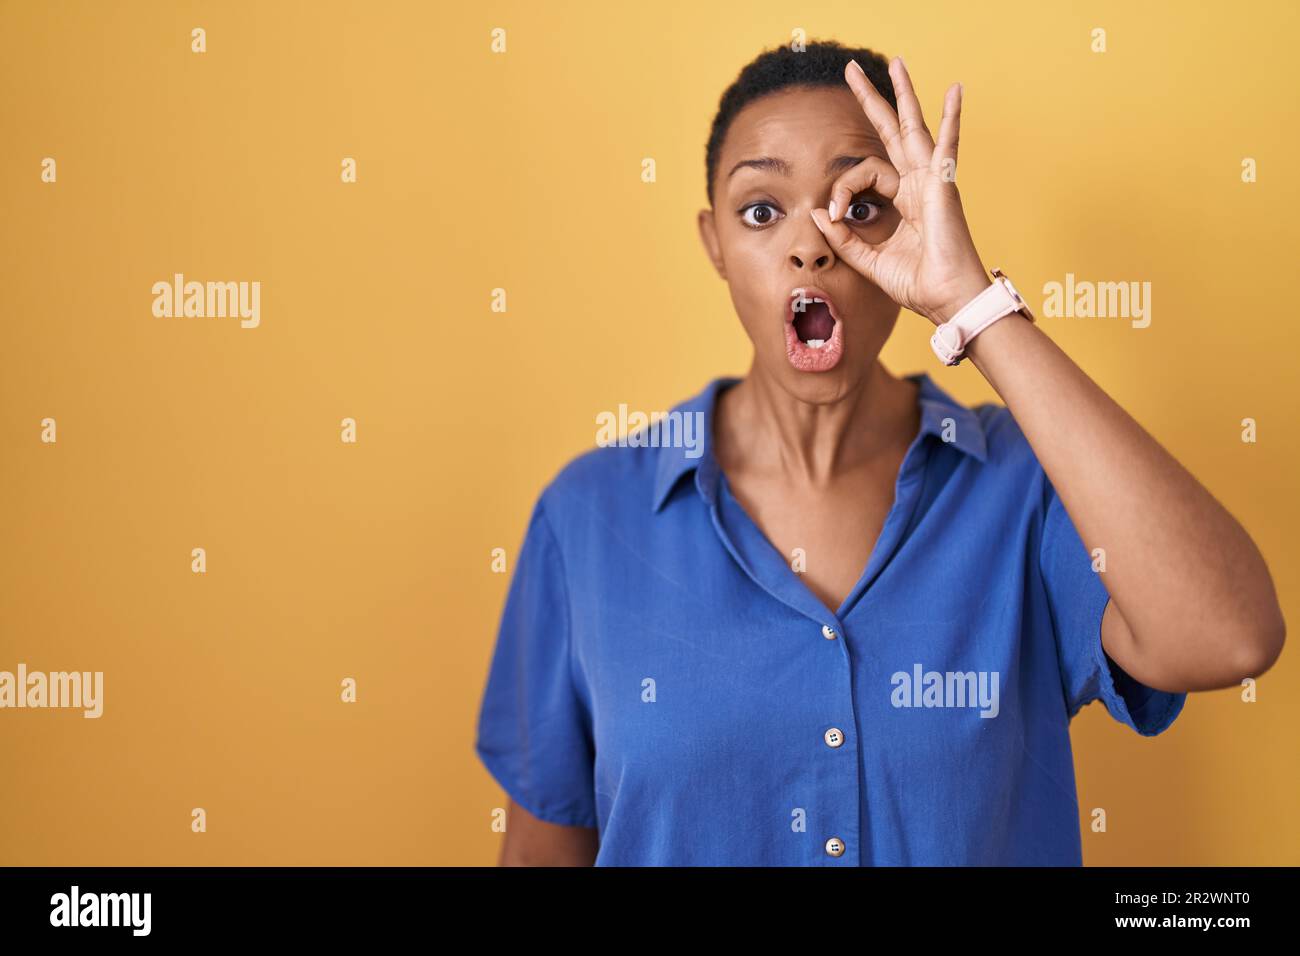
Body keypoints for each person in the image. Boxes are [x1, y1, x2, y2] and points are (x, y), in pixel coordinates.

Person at [473, 40, 1285, 866]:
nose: (812, 245)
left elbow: (1229, 640)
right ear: (713, 242)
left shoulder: (1030, 488)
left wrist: (971, 302)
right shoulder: (586, 519)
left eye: (859, 206)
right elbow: (545, 849)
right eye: (762, 210)